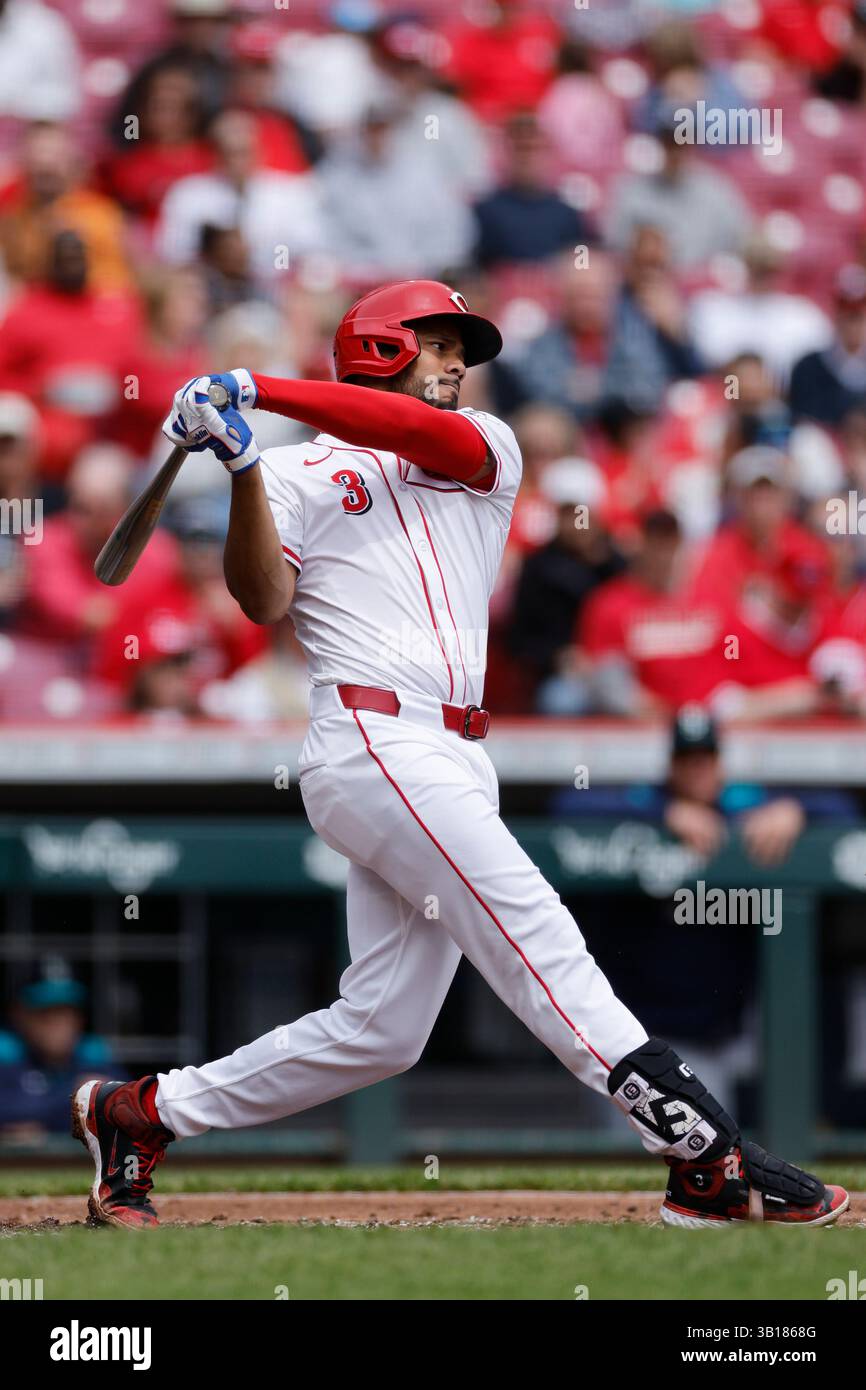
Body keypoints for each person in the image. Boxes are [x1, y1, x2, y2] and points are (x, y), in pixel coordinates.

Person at [71, 279, 847, 1231]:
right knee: (537, 933)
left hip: (457, 747)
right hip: (371, 737)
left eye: (460, 350)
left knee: (382, 1032)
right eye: (438, 344)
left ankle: (139, 1114)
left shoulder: (488, 447)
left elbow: (420, 437)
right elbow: (265, 599)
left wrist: (257, 389)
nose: (457, 364)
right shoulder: (292, 473)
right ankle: (705, 1154)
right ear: (382, 348)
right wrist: (240, 469)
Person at [0, 971, 116, 1140]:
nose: (59, 1023)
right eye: (47, 1012)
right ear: (20, 1015)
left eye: (68, 1012)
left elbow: (130, 1109)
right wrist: (77, 1099)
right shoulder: (8, 1054)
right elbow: (8, 1111)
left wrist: (40, 1120)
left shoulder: (92, 1054)